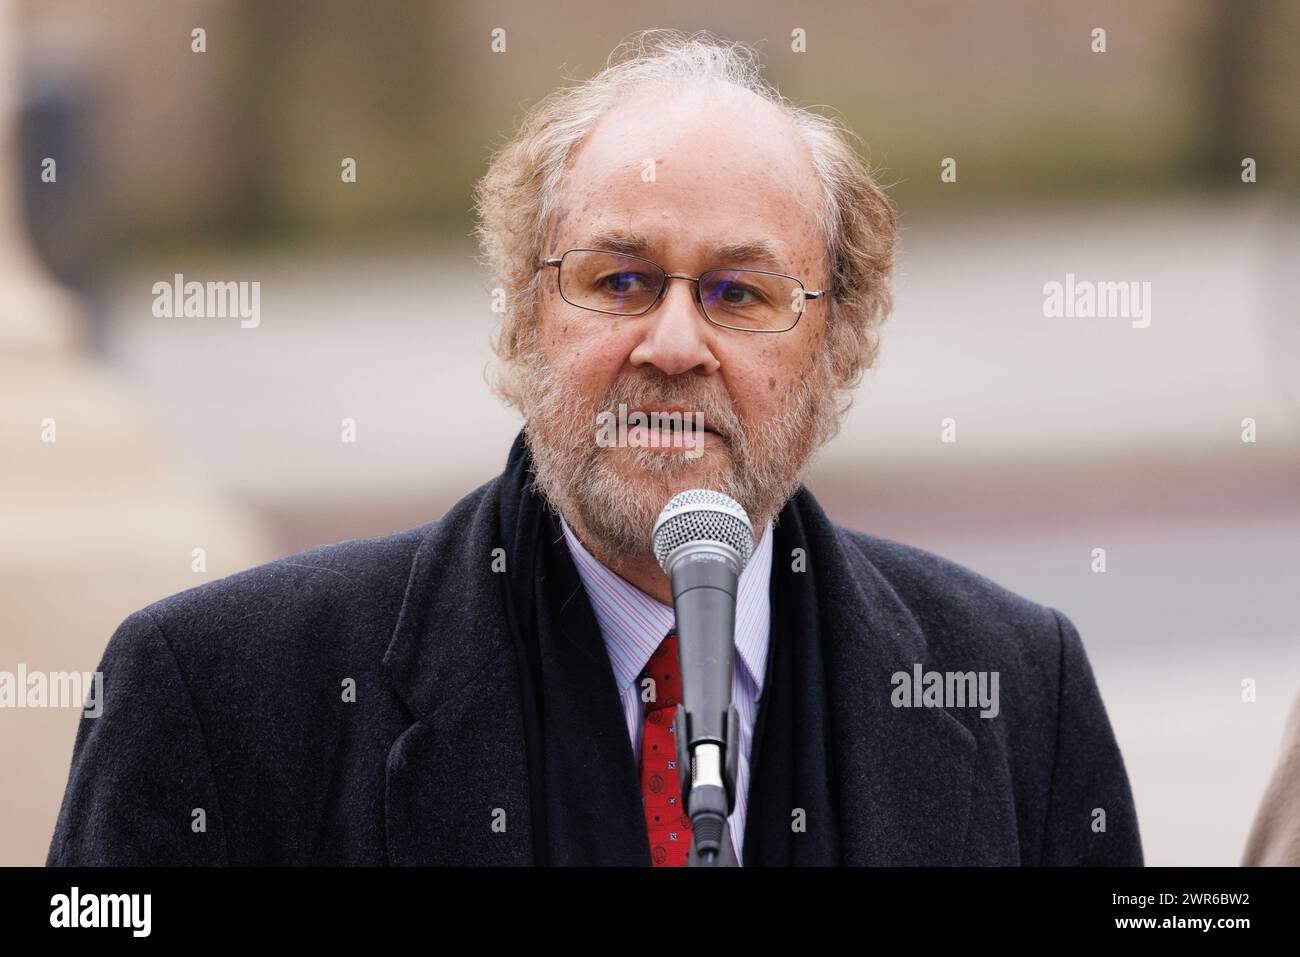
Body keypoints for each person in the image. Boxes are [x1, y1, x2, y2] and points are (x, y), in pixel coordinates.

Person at [47, 29, 1141, 867]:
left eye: (737, 293)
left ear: (838, 343)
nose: (672, 344)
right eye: (618, 281)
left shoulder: (1014, 690)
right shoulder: (221, 694)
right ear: (526, 320)